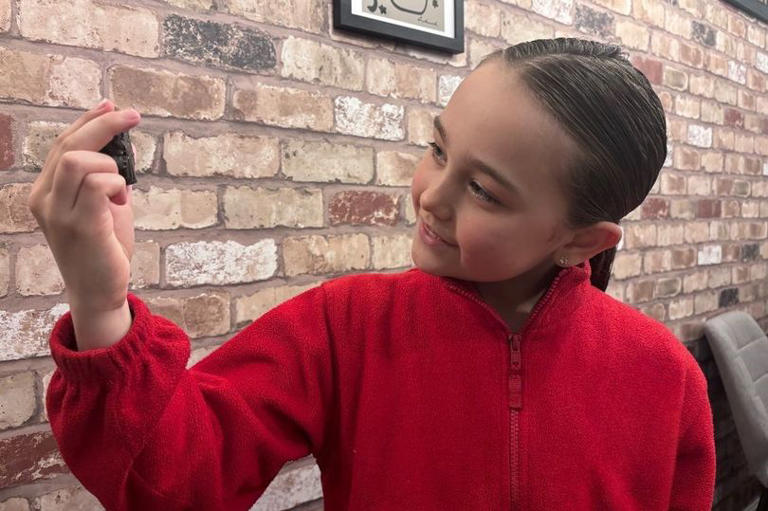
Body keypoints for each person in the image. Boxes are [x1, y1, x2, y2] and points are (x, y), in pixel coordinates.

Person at [30, 38, 715, 510]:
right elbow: (171, 483)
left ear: (580, 240)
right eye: (438, 150)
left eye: (485, 190)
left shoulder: (664, 375)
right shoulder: (344, 326)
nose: (432, 195)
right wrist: (101, 300)